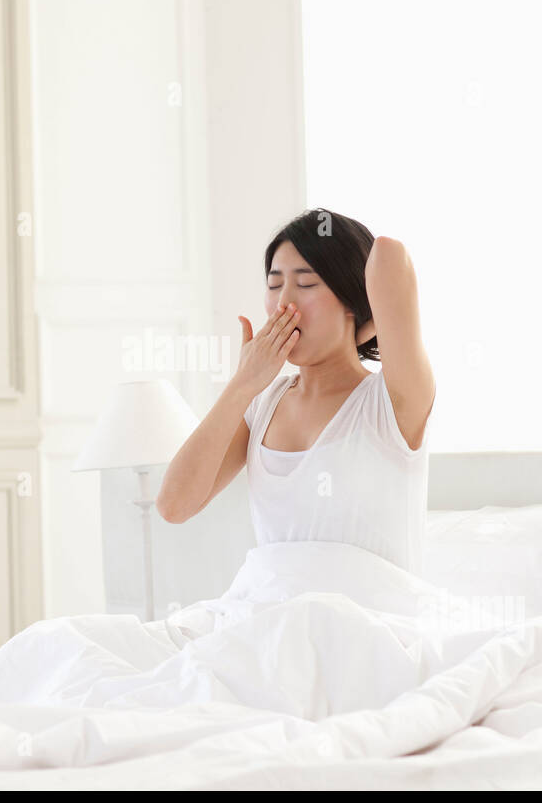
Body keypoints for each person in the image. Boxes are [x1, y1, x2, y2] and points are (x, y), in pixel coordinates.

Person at [155, 208, 437, 574]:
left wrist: (366, 325)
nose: (284, 302)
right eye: (274, 285)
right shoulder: (262, 403)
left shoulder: (394, 401)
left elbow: (389, 255)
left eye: (306, 284)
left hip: (369, 619)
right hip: (269, 614)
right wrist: (242, 385)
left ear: (354, 300)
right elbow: (174, 506)